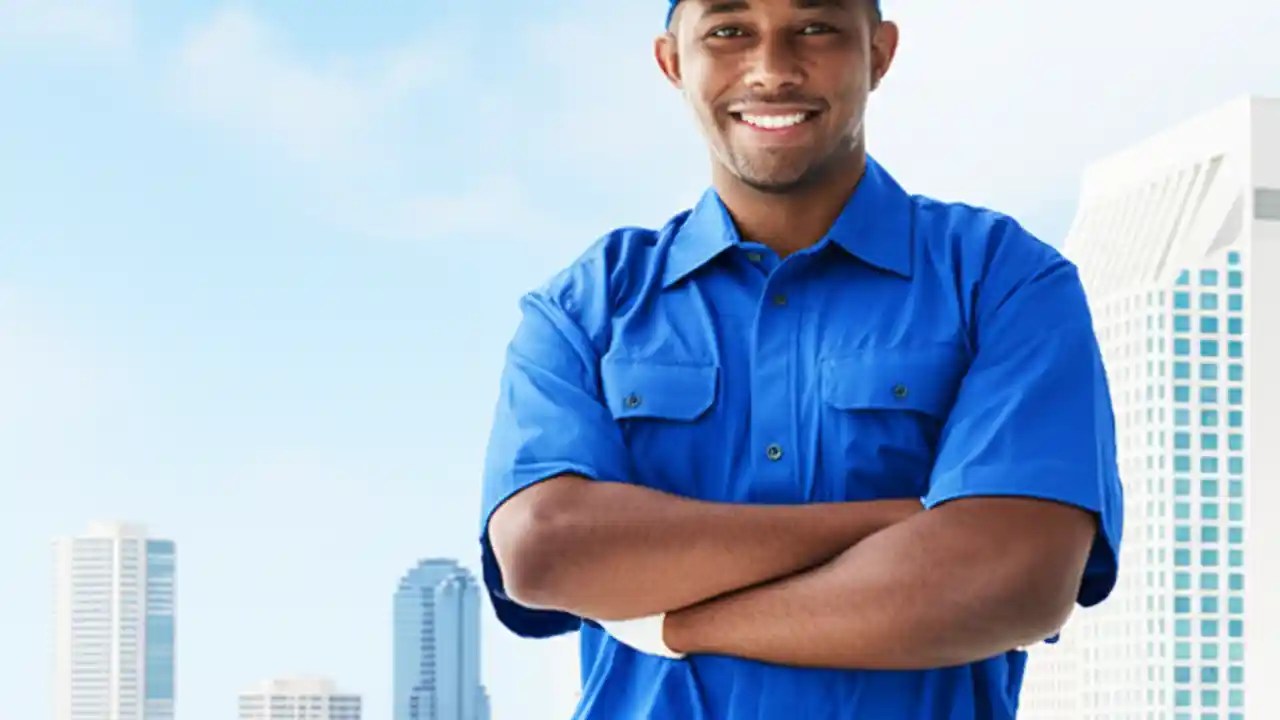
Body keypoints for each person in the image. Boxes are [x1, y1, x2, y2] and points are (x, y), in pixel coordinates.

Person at [478, 0, 1124, 716]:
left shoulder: (1004, 281)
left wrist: (676, 623)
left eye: (815, 28)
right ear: (672, 62)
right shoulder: (584, 308)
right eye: (729, 32)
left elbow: (1013, 578)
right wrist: (898, 522)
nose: (772, 70)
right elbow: (543, 551)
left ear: (879, 53)